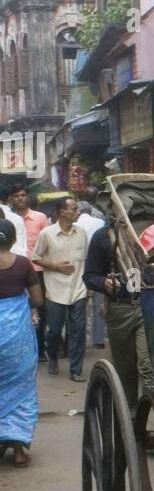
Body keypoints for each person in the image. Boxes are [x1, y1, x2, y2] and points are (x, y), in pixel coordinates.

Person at [83, 221, 154, 410]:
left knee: (148, 366)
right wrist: (103, 282)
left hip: (149, 306)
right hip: (119, 308)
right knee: (125, 370)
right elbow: (90, 276)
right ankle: (130, 416)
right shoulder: (103, 236)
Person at [0, 218, 43, 466]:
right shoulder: (23, 264)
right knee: (22, 388)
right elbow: (37, 299)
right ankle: (17, 451)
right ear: (14, 239)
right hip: (18, 337)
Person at [33, 196, 88, 382]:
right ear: (62, 212)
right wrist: (55, 266)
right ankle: (53, 357)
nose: (78, 212)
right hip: (55, 290)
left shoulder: (81, 233)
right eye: (74, 209)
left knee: (78, 331)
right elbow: (36, 258)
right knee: (54, 331)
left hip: (79, 289)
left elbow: (86, 261)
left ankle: (76, 369)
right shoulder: (47, 234)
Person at [8, 184, 48, 359]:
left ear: (28, 197)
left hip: (38, 270)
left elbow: (49, 242)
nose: (20, 198)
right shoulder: (7, 219)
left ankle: (40, 348)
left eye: (23, 195)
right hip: (13, 270)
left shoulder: (40, 218)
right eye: (17, 196)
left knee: (41, 308)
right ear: (11, 199)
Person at [75, 198, 107, 348]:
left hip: (78, 267)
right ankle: (99, 339)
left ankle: (82, 340)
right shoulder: (100, 223)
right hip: (99, 266)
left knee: (80, 305)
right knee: (98, 302)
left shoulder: (75, 225)